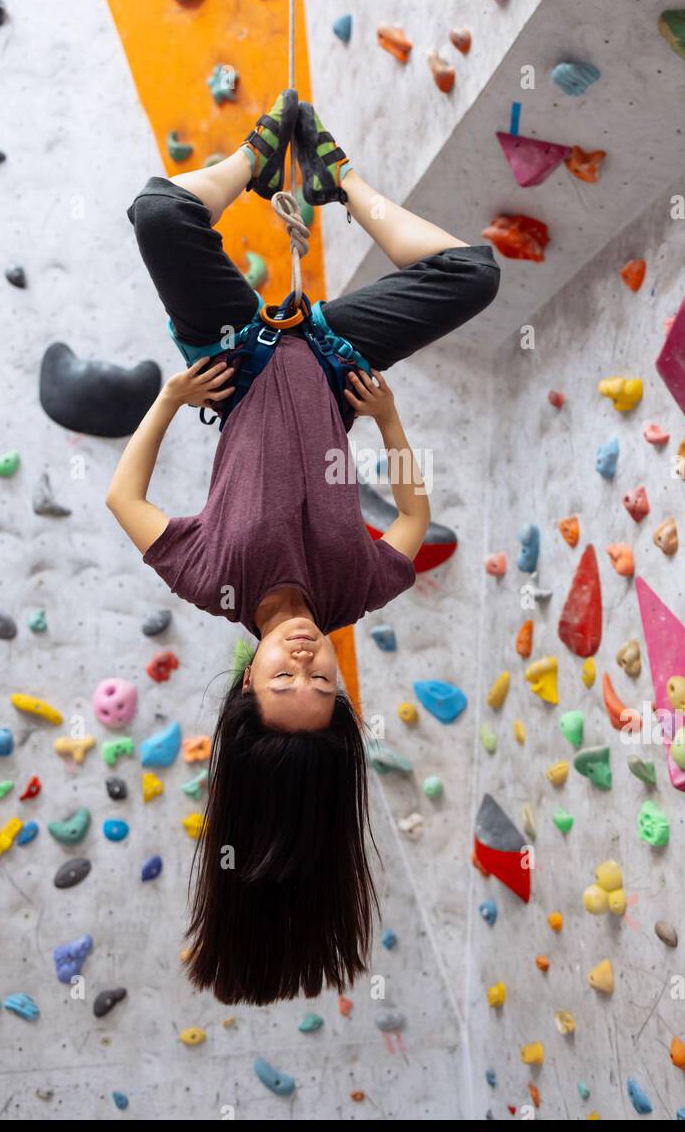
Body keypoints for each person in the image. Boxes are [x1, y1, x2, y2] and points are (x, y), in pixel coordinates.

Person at [106, 91, 500, 1004]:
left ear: (246, 688)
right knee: (472, 276)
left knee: (158, 214)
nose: (304, 665)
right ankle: (337, 178)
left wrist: (171, 399)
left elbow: (123, 498)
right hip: (329, 360)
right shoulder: (350, 589)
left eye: (283, 682)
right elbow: (411, 519)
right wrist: (390, 420)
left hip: (235, 365)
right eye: (322, 685)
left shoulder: (210, 579)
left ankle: (255, 155)